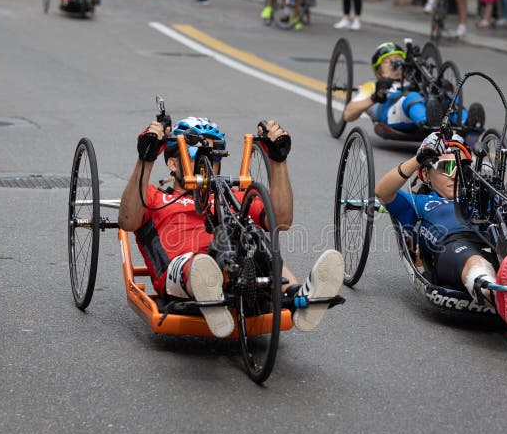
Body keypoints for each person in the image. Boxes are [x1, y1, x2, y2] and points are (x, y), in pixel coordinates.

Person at [117, 117, 345, 338]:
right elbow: (128, 220)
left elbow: (281, 220)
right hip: (180, 271)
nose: (207, 165)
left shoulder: (233, 196)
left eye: (213, 157)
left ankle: (299, 296)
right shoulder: (153, 197)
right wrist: (145, 159)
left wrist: (278, 160)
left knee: (255, 238)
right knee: (200, 264)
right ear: (173, 162)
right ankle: (210, 291)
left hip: (237, 265)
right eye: (196, 154)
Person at [374, 134, 507, 327]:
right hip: (450, 247)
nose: (455, 174)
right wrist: (419, 158)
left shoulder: (482, 198)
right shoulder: (419, 202)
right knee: (473, 260)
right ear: (425, 174)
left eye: (463, 168)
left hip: (494, 246)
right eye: (447, 168)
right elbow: (382, 191)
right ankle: (496, 294)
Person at [343, 42, 468, 136]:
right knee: (412, 98)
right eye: (387, 61)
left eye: (398, 58)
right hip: (391, 114)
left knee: (448, 98)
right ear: (379, 71)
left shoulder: (416, 80)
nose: (395, 62)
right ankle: (432, 126)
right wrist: (375, 97)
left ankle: (467, 124)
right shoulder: (372, 86)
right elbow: (348, 114)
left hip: (426, 108)